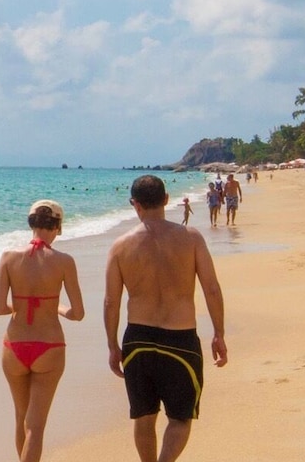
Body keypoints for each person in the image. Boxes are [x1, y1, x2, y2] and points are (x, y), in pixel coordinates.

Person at [104, 175, 227, 462]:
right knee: (181, 417)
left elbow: (111, 301)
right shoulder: (191, 238)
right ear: (166, 199)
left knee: (144, 417)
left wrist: (112, 344)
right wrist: (219, 333)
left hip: (138, 340)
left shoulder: (120, 246)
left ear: (135, 204)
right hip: (180, 339)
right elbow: (211, 288)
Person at [0, 200, 85, 462]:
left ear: (30, 223)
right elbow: (78, 314)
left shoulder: (9, 257)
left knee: (21, 418)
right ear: (58, 227)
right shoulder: (64, 261)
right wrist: (56, 308)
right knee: (36, 426)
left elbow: (0, 308)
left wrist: (20, 305)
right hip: (49, 346)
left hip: (14, 347)